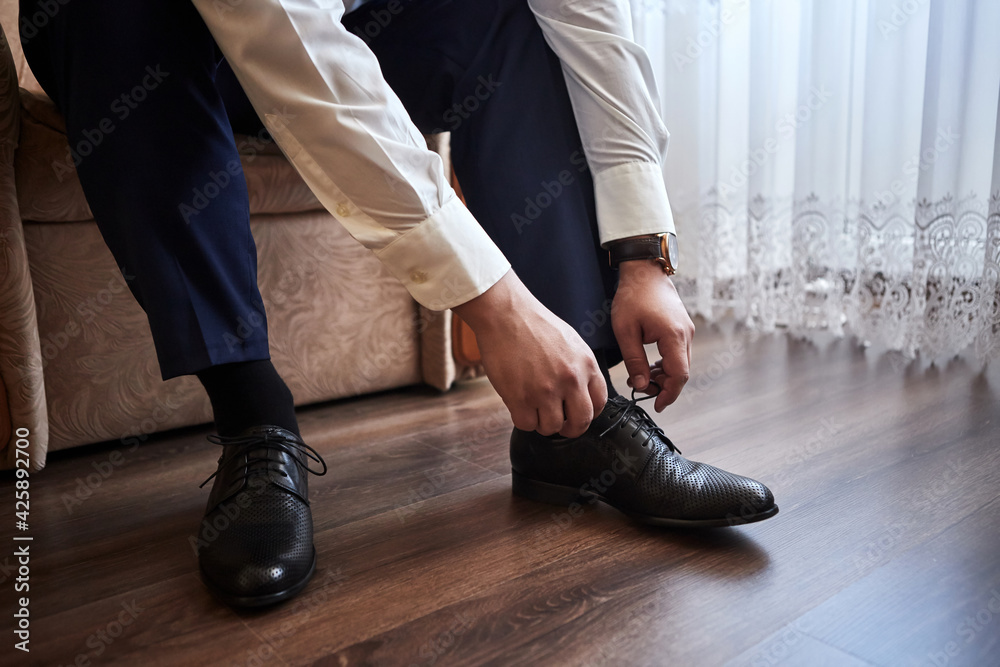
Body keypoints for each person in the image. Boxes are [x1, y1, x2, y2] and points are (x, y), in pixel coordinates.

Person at [20, 0, 777, 609]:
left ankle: (571, 421)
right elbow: (292, 46)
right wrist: (497, 306)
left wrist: (642, 254)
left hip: (349, 20)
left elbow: (588, 21)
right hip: (158, 37)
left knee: (507, 15)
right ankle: (254, 421)